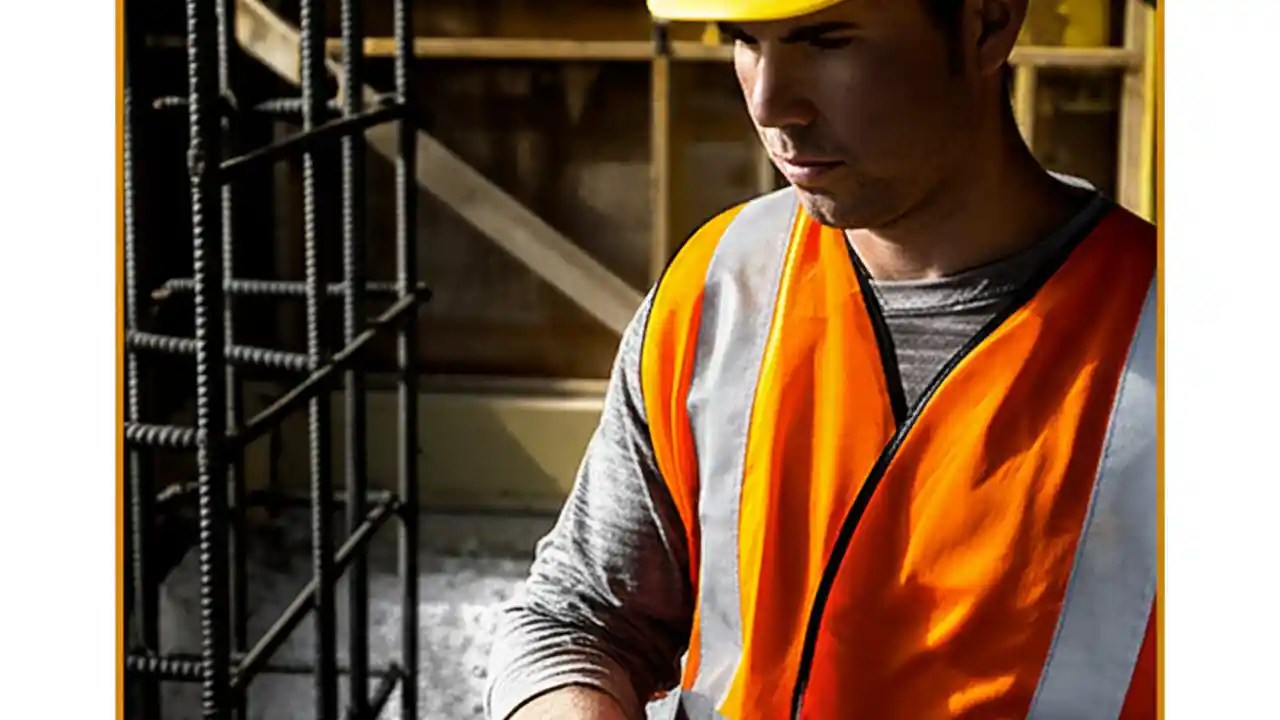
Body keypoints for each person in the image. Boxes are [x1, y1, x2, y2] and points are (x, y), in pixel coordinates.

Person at [485, 0, 1157, 718]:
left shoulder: (1193, 350)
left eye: (827, 41)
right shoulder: (720, 285)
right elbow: (578, 620)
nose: (772, 104)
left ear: (988, 23)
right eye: (744, 41)